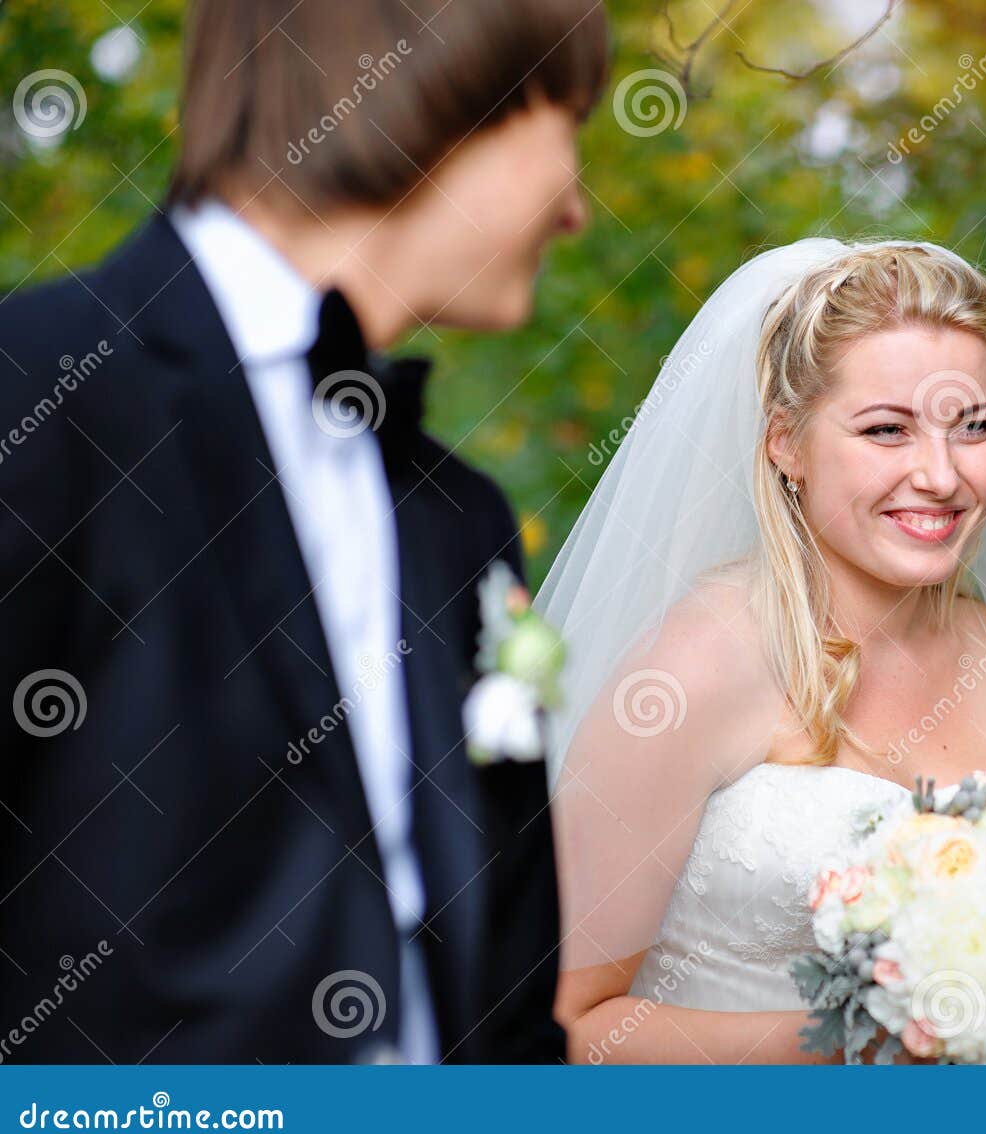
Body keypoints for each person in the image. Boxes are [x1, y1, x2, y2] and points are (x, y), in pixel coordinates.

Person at [0, 0, 607, 1063]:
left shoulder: (457, 516)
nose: (578, 211)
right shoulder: (38, 395)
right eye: (573, 123)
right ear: (448, 91)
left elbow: (504, 1000)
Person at [537, 239, 986, 1063]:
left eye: (975, 427)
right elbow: (566, 1027)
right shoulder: (691, 670)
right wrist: (866, 1041)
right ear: (786, 443)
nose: (942, 475)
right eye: (887, 429)